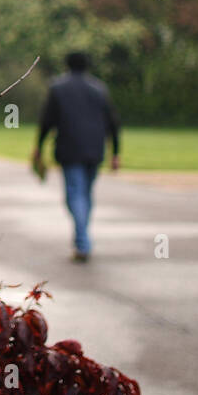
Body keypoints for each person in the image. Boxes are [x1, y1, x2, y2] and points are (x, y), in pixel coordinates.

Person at [33, 52, 121, 262]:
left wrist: (39, 146)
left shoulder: (58, 88)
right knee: (85, 195)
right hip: (95, 149)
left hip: (69, 149)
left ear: (67, 65)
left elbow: (47, 121)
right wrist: (116, 152)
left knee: (75, 196)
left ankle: (82, 243)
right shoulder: (99, 88)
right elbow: (113, 122)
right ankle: (82, 238)